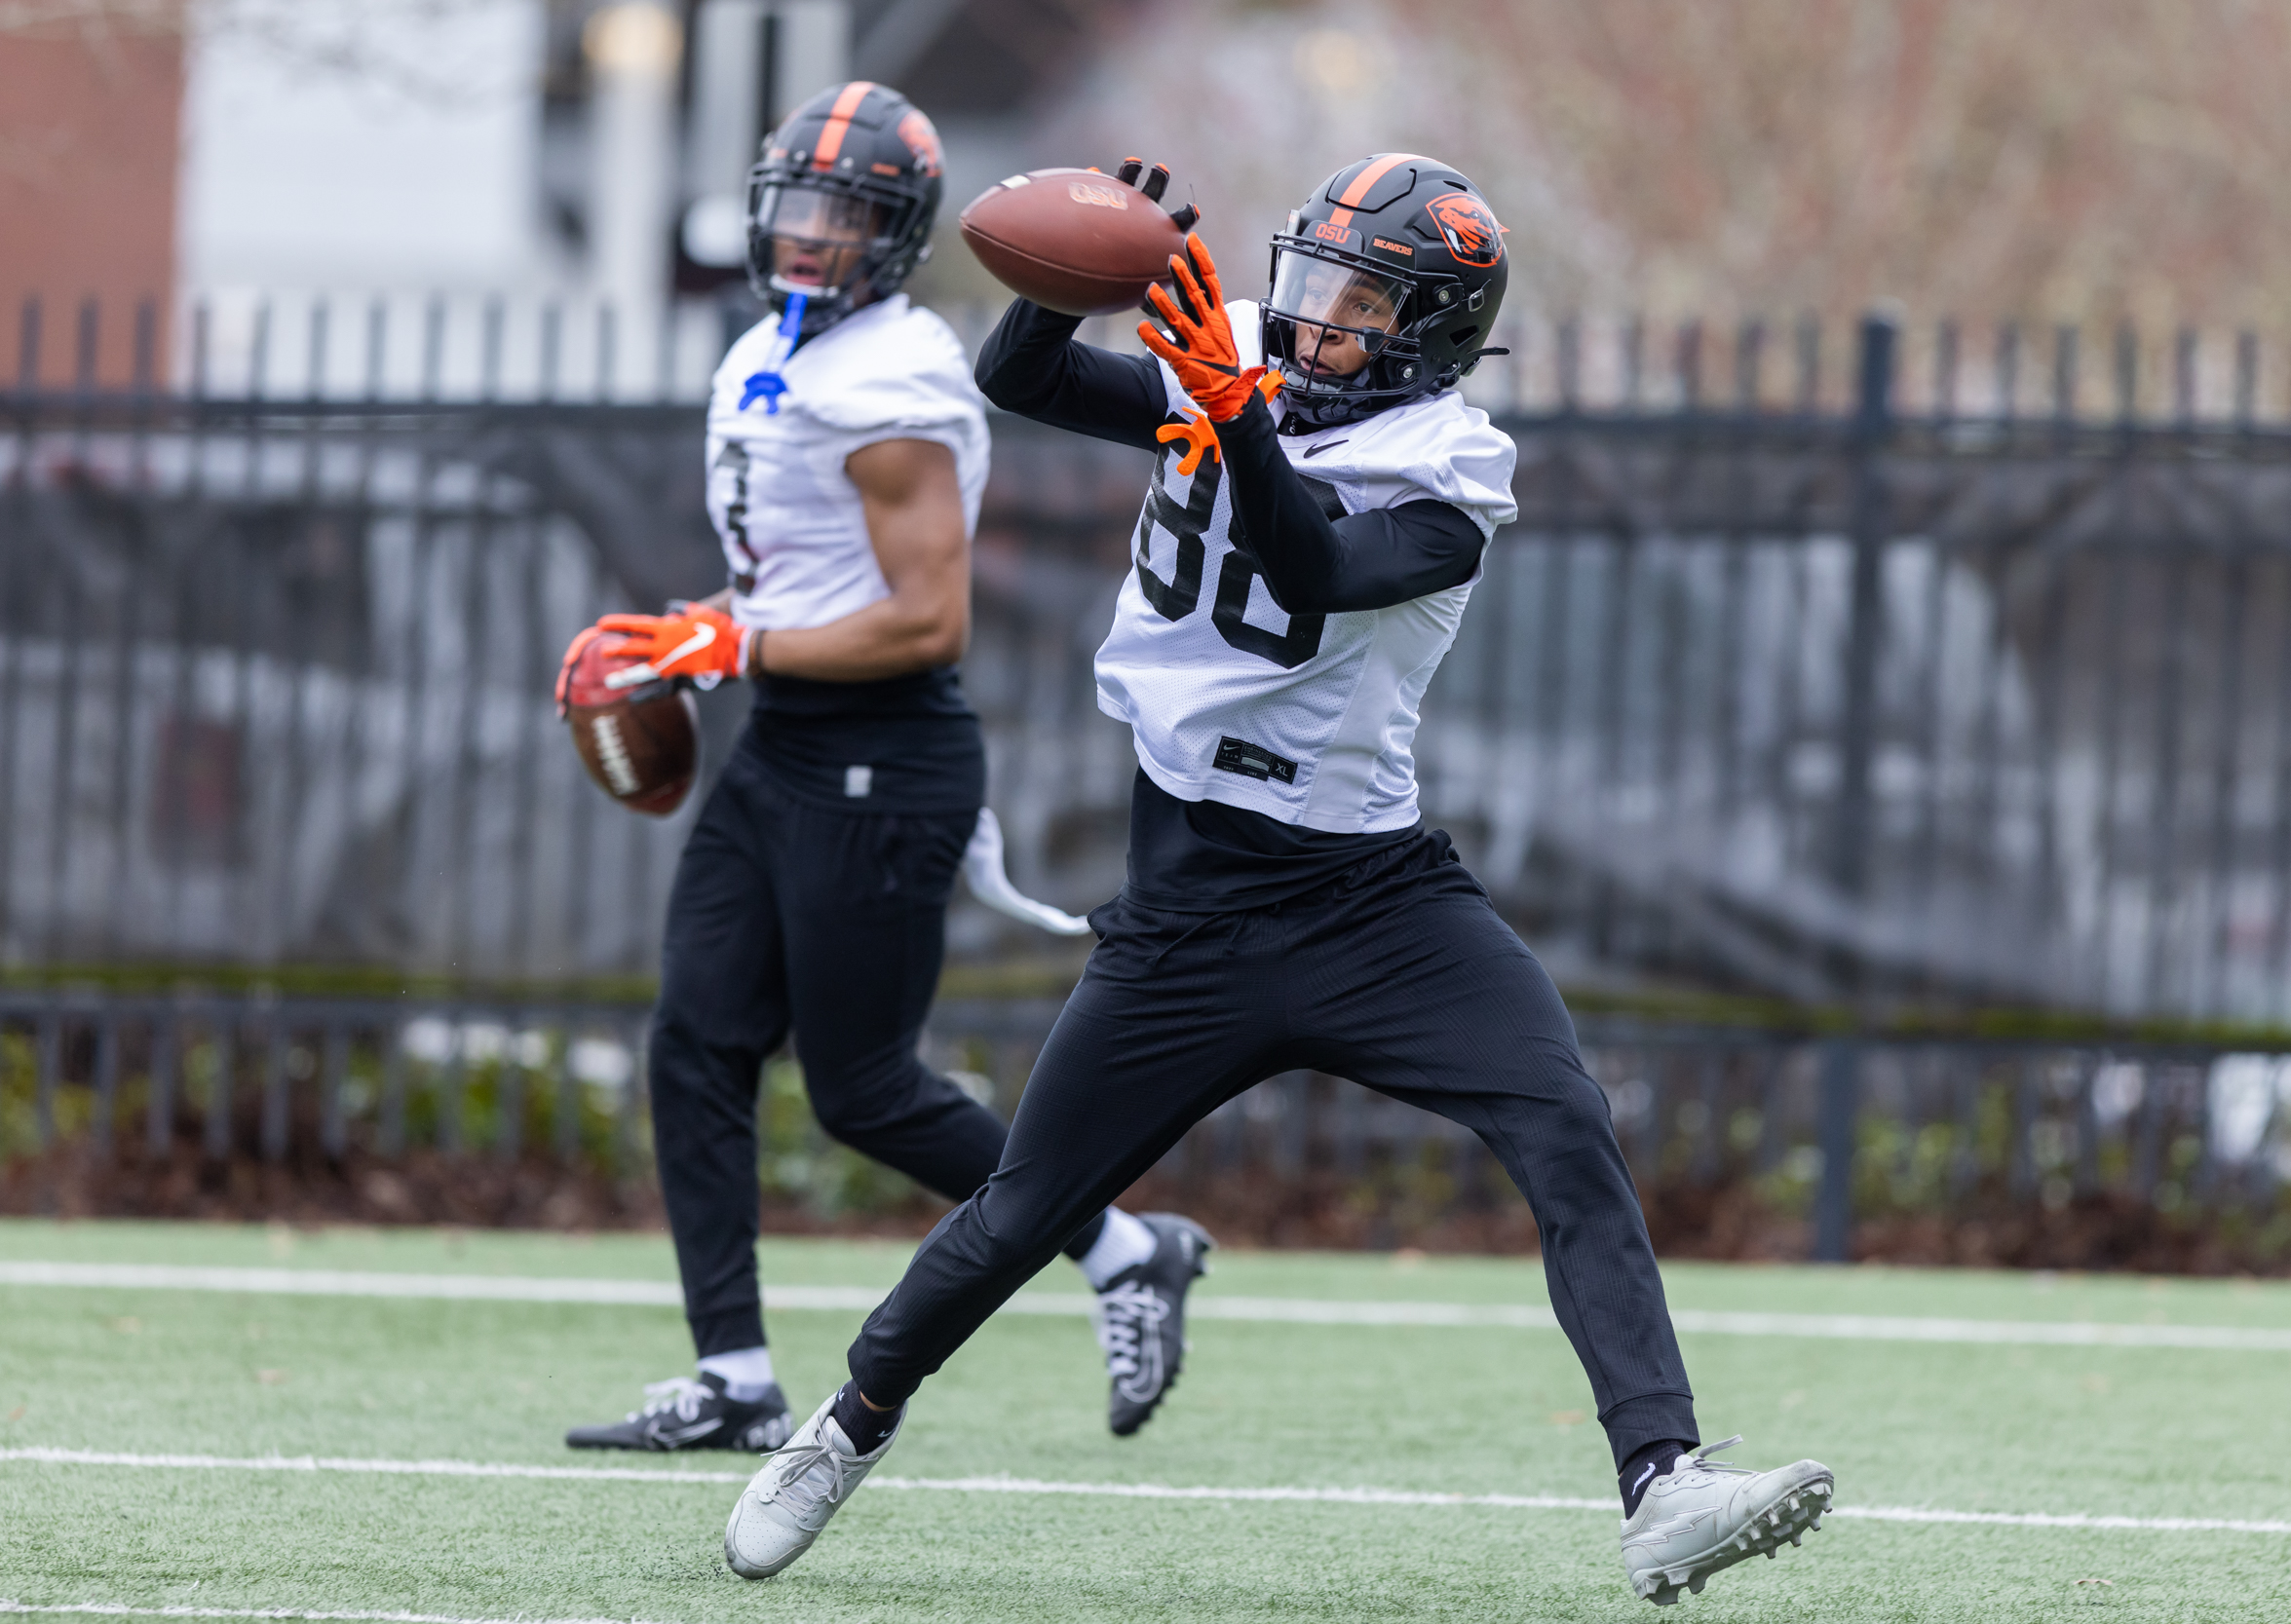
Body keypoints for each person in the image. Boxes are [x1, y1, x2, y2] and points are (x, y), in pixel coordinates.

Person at [713, 151, 1836, 1605]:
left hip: (1374, 900)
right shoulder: (1240, 363)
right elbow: (1025, 383)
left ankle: (1661, 1481)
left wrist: (1234, 410)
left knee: (1564, 1121)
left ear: (1431, 329)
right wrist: (1082, 282)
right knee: (1023, 1205)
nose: (1314, 324)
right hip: (1189, 902)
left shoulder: (1451, 471)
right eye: (1311, 283)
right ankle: (846, 1427)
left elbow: (1310, 568)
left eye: (1361, 302)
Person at [556, 84, 1210, 1457]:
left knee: (863, 1088)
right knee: (695, 1043)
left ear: (898, 233)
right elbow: (790, 585)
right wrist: (706, 634)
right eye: (795, 202)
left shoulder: (897, 377)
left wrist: (729, 641)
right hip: (785, 742)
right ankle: (733, 1377)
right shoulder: (767, 351)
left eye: (845, 211)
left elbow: (925, 620)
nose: (808, 233)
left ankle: (1123, 1249)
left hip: (882, 754)